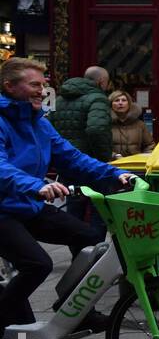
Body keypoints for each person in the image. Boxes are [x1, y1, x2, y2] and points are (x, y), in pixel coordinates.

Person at [0, 58, 134, 335]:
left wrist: (114, 174)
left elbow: (72, 158)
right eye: (34, 84)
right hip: (4, 210)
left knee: (88, 238)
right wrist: (35, 186)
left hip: (27, 206)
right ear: (10, 87)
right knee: (37, 264)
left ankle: (74, 309)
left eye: (44, 84)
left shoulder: (39, 122)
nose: (42, 89)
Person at [50, 64, 113, 239]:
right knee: (98, 208)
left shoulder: (60, 100)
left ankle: (77, 253)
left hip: (65, 163)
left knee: (74, 208)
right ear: (101, 82)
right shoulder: (97, 99)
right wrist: (104, 157)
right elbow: (97, 129)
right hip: (90, 162)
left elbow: (49, 129)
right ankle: (93, 253)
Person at [109, 90, 154, 159]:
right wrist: (114, 156)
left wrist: (144, 158)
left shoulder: (140, 125)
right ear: (111, 104)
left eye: (124, 100)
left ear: (129, 104)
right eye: (117, 100)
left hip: (135, 165)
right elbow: (100, 146)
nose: (120, 103)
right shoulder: (106, 124)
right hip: (113, 165)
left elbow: (149, 145)